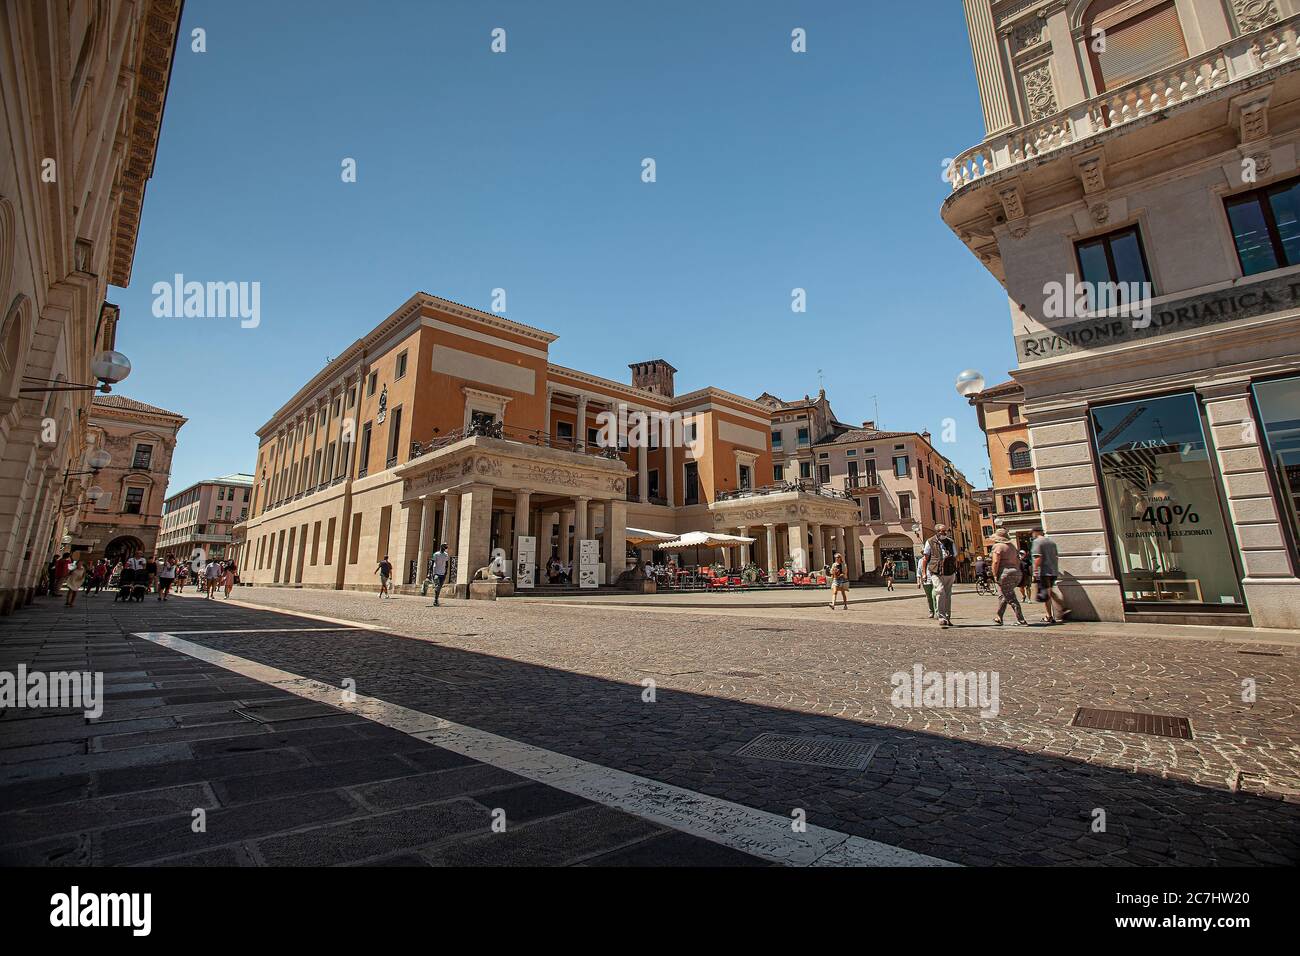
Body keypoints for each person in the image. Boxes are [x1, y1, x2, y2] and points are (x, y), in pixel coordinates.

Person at [919, 523, 958, 628]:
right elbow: (925, 558)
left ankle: (947, 617)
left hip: (949, 571)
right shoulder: (930, 542)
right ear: (937, 532)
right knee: (940, 591)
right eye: (943, 531)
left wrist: (954, 568)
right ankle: (941, 617)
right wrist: (923, 573)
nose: (945, 533)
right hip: (935, 570)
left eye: (946, 531)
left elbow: (955, 557)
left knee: (948, 594)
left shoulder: (951, 542)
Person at [988, 530, 1028, 625]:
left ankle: (1021, 619)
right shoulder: (1013, 547)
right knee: (1003, 595)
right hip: (1017, 573)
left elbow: (995, 562)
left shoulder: (997, 547)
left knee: (1010, 597)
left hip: (1005, 574)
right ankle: (999, 617)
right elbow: (1018, 561)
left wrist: (994, 574)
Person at [1031, 528, 1070, 625]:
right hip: (1053, 571)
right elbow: (1056, 557)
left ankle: (1049, 616)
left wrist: (1035, 572)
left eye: (1032, 533)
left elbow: (1038, 557)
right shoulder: (1051, 542)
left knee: (1045, 594)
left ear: (1035, 532)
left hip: (1044, 572)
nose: (1032, 535)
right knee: (1050, 592)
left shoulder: (1037, 542)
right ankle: (1062, 607)